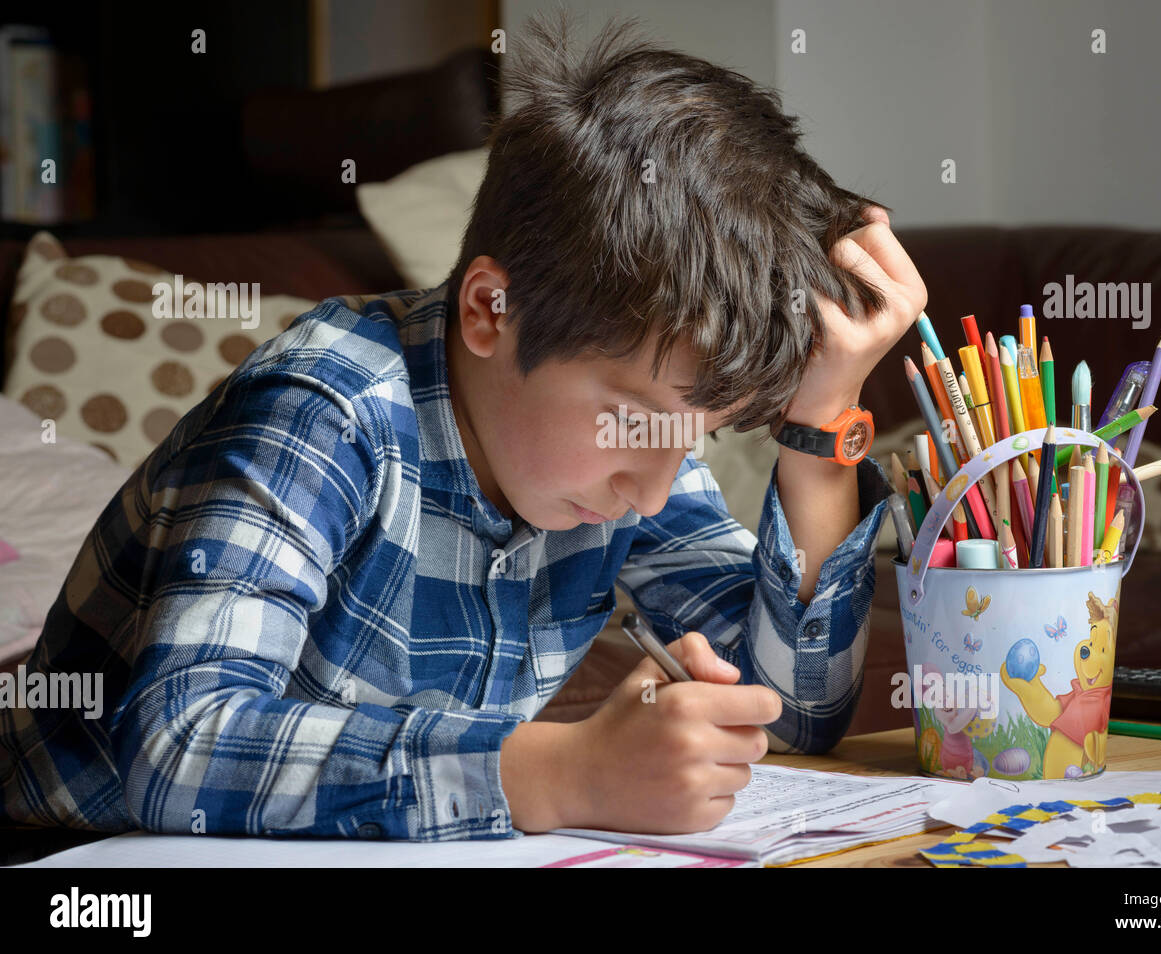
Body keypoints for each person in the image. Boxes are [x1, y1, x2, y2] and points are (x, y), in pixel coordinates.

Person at [0, 12, 926, 841]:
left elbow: (798, 710)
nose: (650, 489)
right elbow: (182, 742)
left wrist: (820, 421)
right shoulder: (326, 404)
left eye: (695, 438)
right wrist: (560, 770)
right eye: (632, 420)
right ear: (491, 307)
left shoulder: (637, 446)